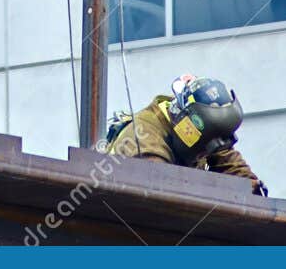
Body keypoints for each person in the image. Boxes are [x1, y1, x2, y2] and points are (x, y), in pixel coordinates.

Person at [103, 74, 267, 195]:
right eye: (204, 145)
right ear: (183, 120)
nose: (205, 151)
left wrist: (250, 189)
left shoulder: (202, 129)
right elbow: (161, 194)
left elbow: (243, 178)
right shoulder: (143, 138)